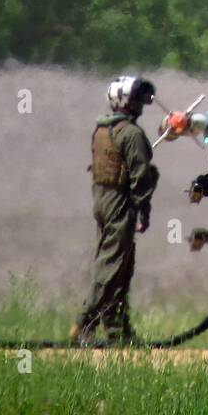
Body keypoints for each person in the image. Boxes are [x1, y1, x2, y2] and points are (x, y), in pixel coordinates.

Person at [70, 75, 159, 346]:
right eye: (134, 99)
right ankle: (86, 323)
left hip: (102, 198)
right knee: (113, 265)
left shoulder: (101, 130)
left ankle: (117, 329)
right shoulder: (131, 134)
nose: (140, 105)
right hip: (120, 202)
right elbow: (141, 176)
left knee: (121, 265)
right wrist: (144, 210)